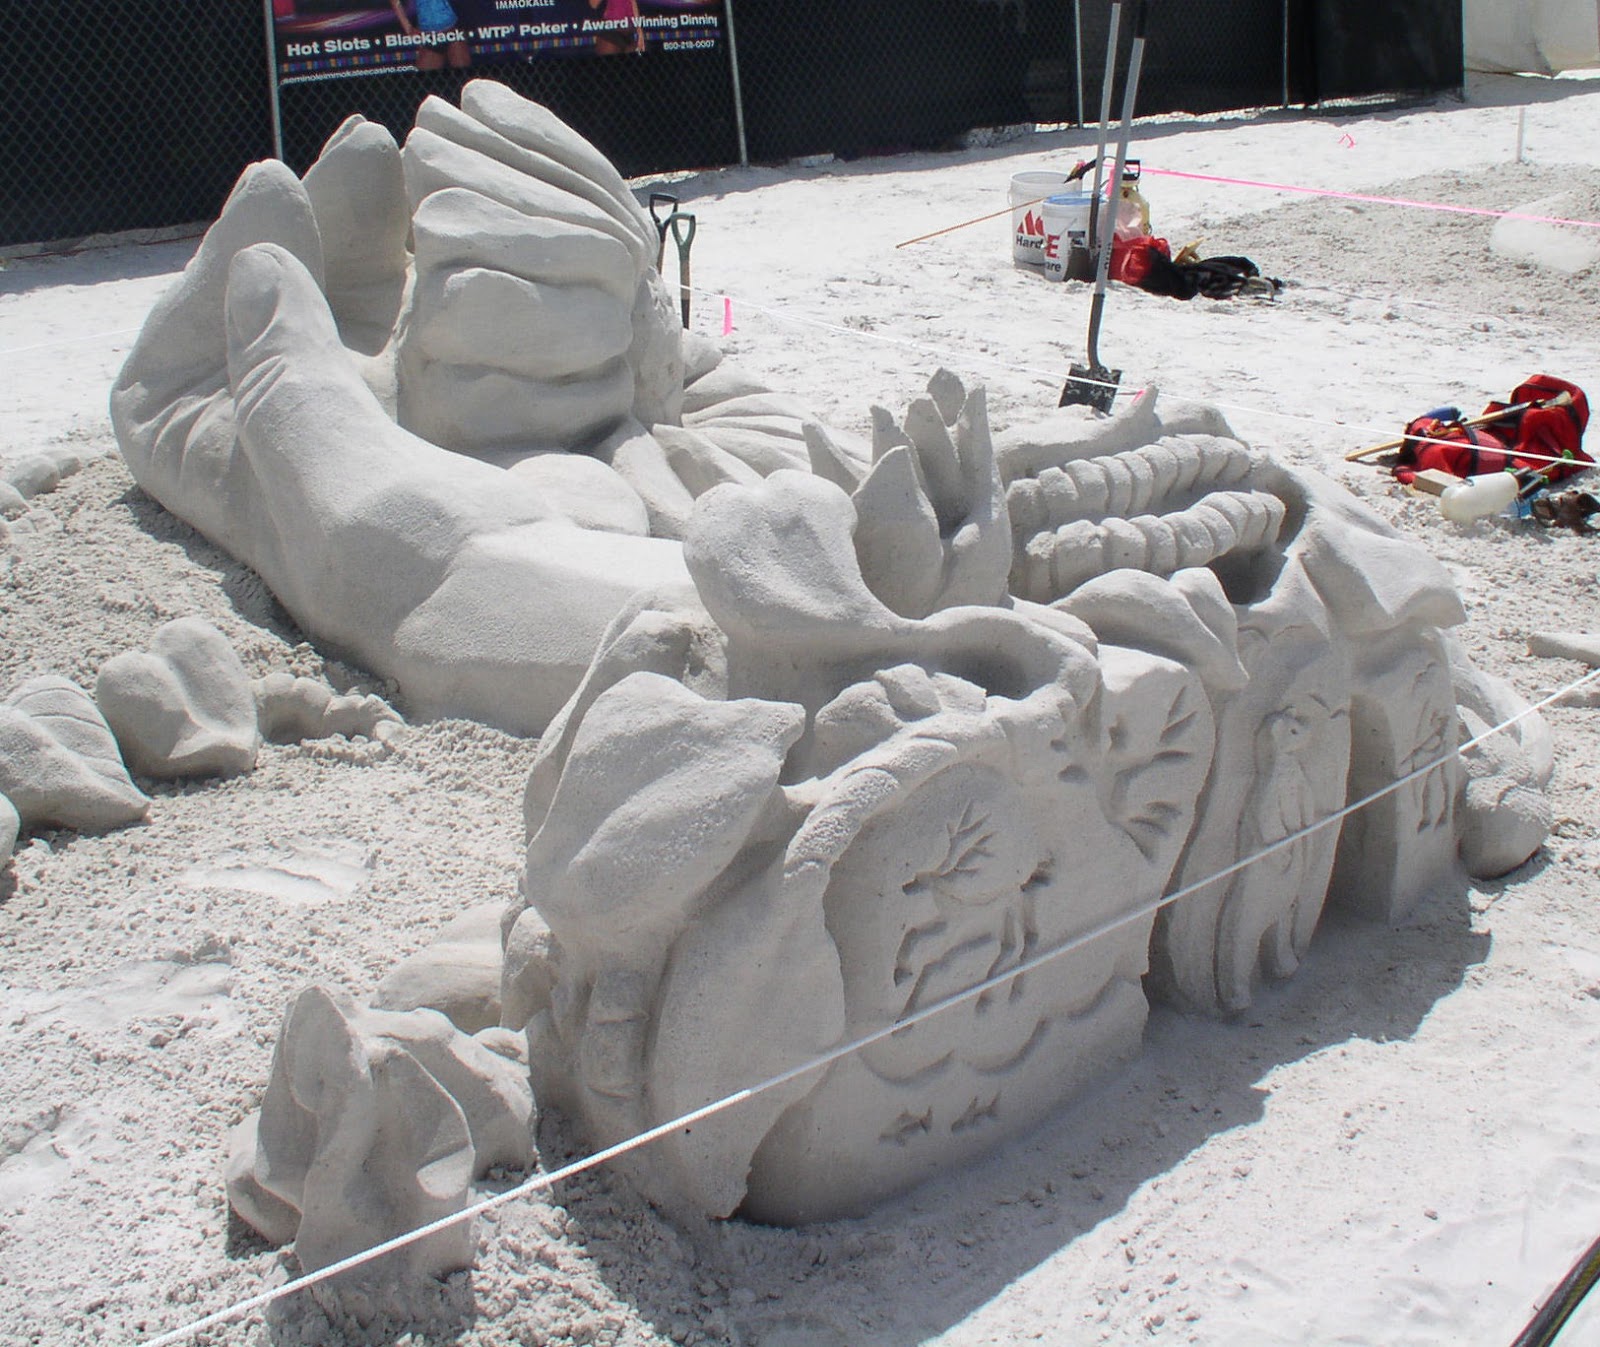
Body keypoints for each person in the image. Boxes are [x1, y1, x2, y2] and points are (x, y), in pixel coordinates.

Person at [389, 0, 471, 70]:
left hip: (453, 31)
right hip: (429, 36)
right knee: (424, 84)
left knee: (464, 78)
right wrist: (408, 28)